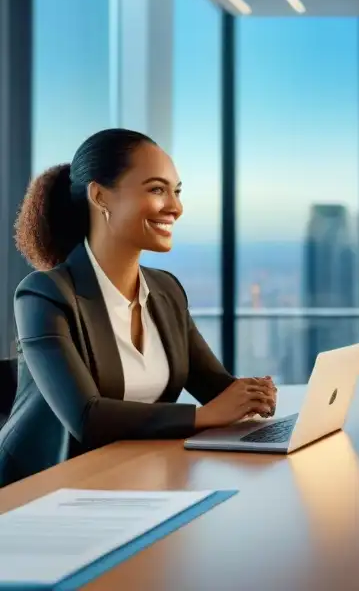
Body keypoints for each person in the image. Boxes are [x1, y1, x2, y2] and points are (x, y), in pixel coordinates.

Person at [0, 129, 277, 487]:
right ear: (100, 196)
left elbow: (217, 390)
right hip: (40, 488)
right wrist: (203, 416)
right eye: (157, 189)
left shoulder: (166, 291)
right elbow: (87, 418)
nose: (175, 207)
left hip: (129, 476)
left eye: (177, 192)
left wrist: (252, 394)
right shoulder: (45, 294)